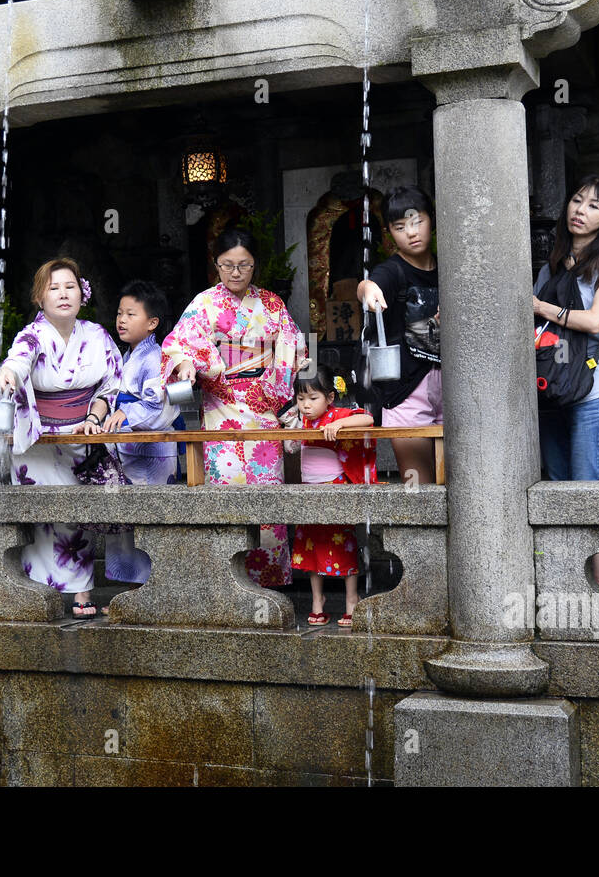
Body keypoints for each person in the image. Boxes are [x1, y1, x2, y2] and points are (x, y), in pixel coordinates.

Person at [162, 226, 307, 587]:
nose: (236, 273)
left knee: (267, 493)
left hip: (262, 406)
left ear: (255, 264)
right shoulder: (204, 303)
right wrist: (192, 364)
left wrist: (273, 389)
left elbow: (294, 348)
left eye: (244, 265)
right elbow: (176, 344)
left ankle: (269, 582)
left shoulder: (272, 304)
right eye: (227, 265)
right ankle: (228, 579)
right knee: (225, 490)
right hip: (220, 405)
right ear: (216, 265)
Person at [0, 257, 124, 618]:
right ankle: (35, 593)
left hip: (81, 435)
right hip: (40, 443)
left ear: (82, 294)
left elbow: (111, 384)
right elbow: (19, 359)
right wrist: (9, 373)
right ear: (40, 297)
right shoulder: (32, 336)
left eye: (70, 287)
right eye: (54, 288)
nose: (63, 294)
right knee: (43, 520)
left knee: (76, 519)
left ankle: (82, 592)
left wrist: (94, 418)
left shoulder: (97, 336)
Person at [531, 175, 599, 591]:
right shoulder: (549, 267)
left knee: (589, 492)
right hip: (550, 389)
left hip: (593, 390)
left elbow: (594, 321)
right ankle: (566, 587)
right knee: (556, 489)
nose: (580, 210)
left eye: (594, 205)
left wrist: (541, 306)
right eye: (577, 200)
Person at [356, 185, 440, 484]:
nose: (411, 232)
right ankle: (419, 533)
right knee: (416, 481)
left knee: (461, 483)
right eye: (400, 227)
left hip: (454, 387)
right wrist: (369, 291)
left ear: (432, 219)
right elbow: (367, 285)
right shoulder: (392, 271)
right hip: (408, 390)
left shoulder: (449, 268)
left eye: (418, 222)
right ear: (389, 232)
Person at [101, 279, 180, 584]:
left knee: (150, 517)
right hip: (128, 448)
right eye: (120, 313)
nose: (122, 320)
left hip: (153, 451)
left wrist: (125, 412)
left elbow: (158, 405)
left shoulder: (156, 357)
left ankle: (151, 587)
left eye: (131, 314)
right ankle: (127, 588)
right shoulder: (126, 356)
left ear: (152, 323)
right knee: (126, 517)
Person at [289, 365, 375, 627]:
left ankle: (352, 599)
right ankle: (318, 600)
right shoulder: (300, 420)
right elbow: (290, 447)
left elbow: (368, 419)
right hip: (309, 488)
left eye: (313, 398)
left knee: (344, 544)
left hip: (335, 485)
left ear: (330, 398)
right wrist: (290, 433)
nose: (306, 405)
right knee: (312, 545)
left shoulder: (336, 415)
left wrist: (340, 423)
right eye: (301, 399)